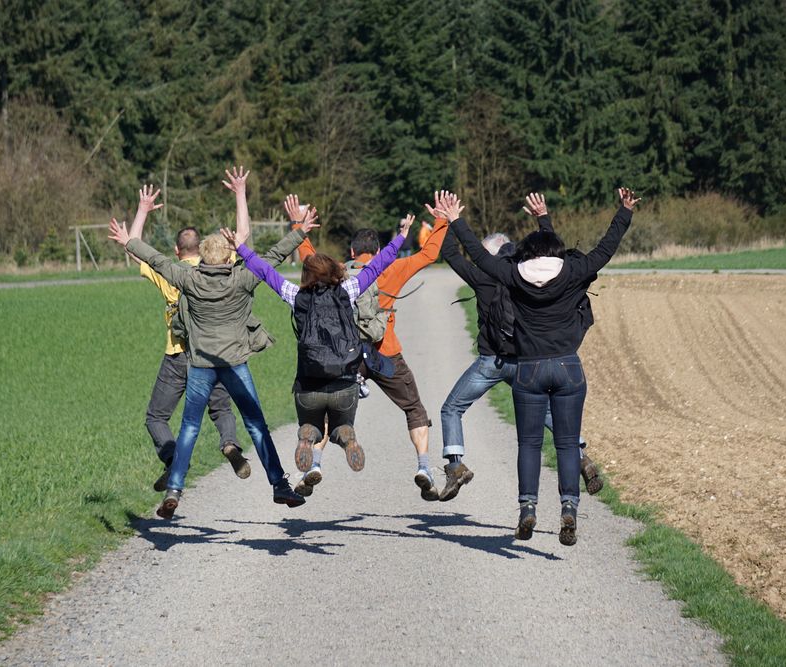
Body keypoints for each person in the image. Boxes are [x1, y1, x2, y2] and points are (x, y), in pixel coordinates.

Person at [107, 166, 307, 518]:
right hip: (233, 365)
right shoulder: (242, 277)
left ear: (202, 257)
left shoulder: (188, 278)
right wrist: (298, 231)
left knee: (187, 427)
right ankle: (279, 485)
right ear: (228, 256)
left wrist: (129, 241)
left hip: (197, 364)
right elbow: (273, 256)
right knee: (256, 424)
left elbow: (151, 257)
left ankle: (174, 490)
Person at [445, 187, 639, 546]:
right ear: (556, 251)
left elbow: (478, 255)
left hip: (529, 371)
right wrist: (624, 211)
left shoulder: (513, 275)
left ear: (525, 254)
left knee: (529, 445)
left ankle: (528, 509)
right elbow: (605, 248)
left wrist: (455, 219)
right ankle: (568, 509)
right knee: (566, 445)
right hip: (568, 368)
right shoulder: (573, 271)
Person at [223, 205, 413, 497]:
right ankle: (347, 438)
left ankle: (306, 439)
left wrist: (241, 249)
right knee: (341, 423)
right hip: (344, 383)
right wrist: (399, 238)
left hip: (309, 384)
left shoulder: (295, 295)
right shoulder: (348, 291)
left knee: (310, 423)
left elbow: (266, 271)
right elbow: (377, 266)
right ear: (335, 272)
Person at [436, 192, 603, 501]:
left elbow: (453, 255)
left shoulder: (486, 277)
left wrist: (443, 221)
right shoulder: (526, 276)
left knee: (452, 408)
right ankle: (581, 457)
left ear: (490, 254)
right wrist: (543, 218)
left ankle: (455, 466)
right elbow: (557, 253)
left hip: (491, 362)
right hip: (529, 363)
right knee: (550, 416)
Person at [294, 206, 449, 500]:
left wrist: (298, 225)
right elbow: (428, 254)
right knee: (414, 408)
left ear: (352, 252)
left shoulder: (336, 273)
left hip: (345, 357)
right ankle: (424, 467)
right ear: (378, 250)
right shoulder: (391, 267)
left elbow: (308, 258)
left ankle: (312, 466)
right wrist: (442, 221)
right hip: (385, 352)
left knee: (327, 411)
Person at [123, 184, 245, 491]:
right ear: (203, 248)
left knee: (156, 417)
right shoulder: (220, 268)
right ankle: (230, 444)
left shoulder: (171, 272)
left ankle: (174, 457)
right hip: (213, 355)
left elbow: (132, 246)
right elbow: (243, 237)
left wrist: (143, 209)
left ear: (178, 251)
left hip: (177, 356)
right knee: (221, 410)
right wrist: (239, 194)